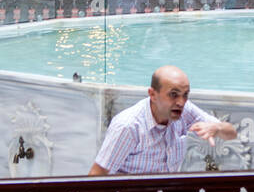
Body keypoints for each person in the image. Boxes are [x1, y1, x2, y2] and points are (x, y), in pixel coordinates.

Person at [88, 66, 237, 175]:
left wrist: (217, 128)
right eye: (173, 94)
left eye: (185, 95)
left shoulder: (185, 109)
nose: (181, 102)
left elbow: (232, 133)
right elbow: (96, 175)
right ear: (152, 94)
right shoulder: (128, 126)